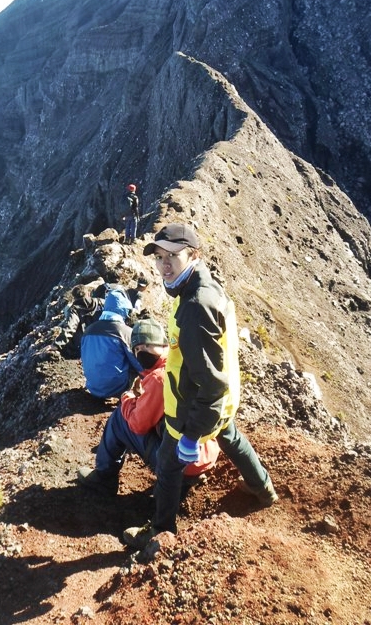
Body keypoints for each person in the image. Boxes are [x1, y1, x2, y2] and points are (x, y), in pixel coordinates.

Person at [123, 223, 277, 549]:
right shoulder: (206, 286)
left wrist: (190, 435)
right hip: (221, 402)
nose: (164, 266)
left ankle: (161, 532)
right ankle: (262, 488)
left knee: (168, 467)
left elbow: (209, 382)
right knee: (231, 436)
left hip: (192, 409)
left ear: (193, 255)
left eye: (173, 257)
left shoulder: (194, 307)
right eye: (159, 257)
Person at [77, 318, 219, 494]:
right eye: (136, 349)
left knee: (120, 419)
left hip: (182, 462)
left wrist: (127, 397)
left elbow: (138, 425)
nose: (141, 352)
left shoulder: (159, 378)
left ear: (162, 344)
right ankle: (189, 477)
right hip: (204, 454)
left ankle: (104, 476)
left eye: (146, 346)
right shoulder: (185, 364)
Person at [80, 287, 143, 399]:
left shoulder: (88, 330)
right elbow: (138, 363)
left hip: (93, 387)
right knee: (135, 360)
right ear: (123, 309)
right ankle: (134, 394)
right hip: (115, 388)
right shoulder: (124, 331)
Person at [54, 284, 103, 359]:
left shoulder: (74, 310)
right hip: (104, 341)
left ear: (74, 298)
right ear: (89, 293)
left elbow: (70, 328)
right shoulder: (101, 302)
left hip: (85, 346)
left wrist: (56, 344)